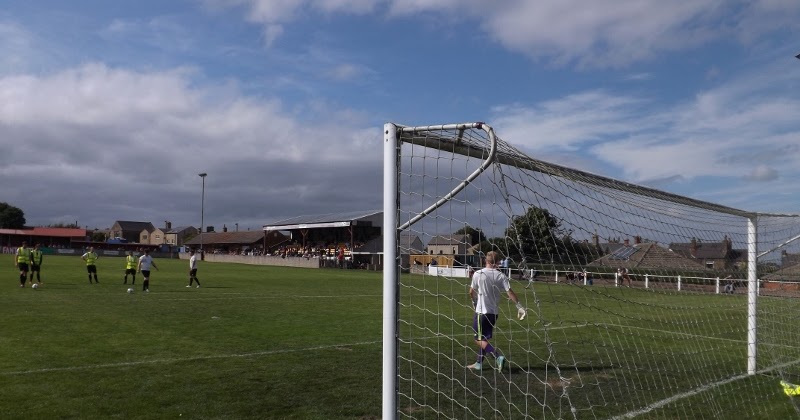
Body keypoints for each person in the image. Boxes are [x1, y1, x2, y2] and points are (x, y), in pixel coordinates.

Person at [467, 251, 526, 372]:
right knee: (484, 338)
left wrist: (474, 302)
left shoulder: (478, 273)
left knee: (478, 339)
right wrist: (519, 307)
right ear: (498, 262)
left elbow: (471, 292)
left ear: (485, 260)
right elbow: (510, 292)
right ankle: (479, 363)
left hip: (481, 312)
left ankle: (497, 356)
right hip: (494, 314)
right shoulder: (501, 276)